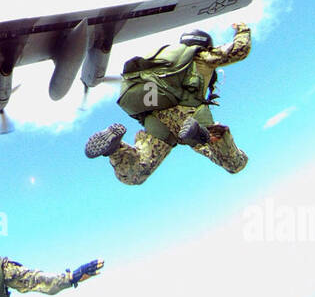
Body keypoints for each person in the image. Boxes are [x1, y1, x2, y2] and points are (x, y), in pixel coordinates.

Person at [84, 23, 251, 186]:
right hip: (185, 115)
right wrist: (243, 30)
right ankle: (202, 134)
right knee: (236, 164)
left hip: (155, 118)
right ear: (205, 44)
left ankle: (114, 149)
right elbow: (239, 50)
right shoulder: (201, 56)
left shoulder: (162, 61)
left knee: (135, 174)